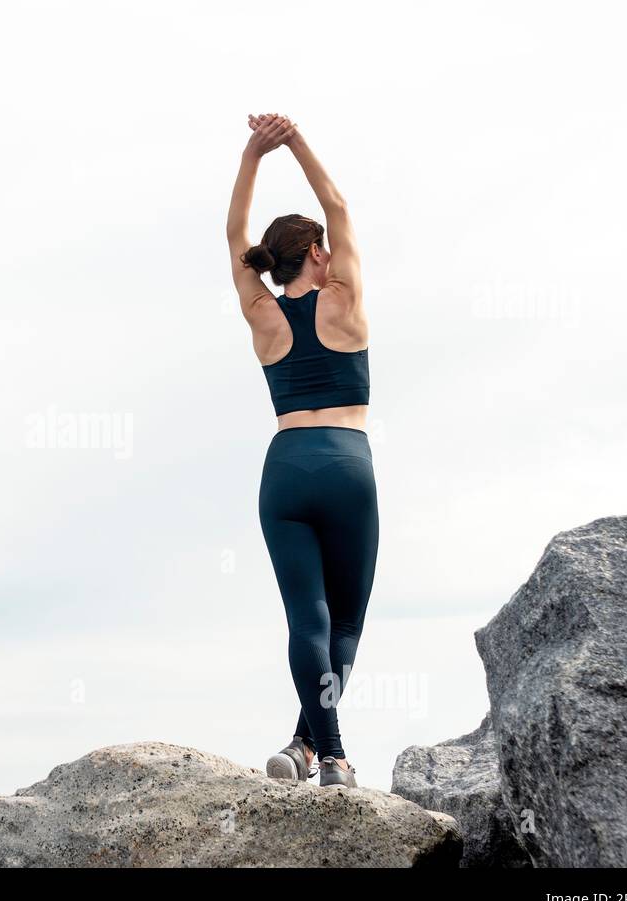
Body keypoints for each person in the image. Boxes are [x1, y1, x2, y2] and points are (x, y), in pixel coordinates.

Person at [225, 113, 377, 788]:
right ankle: (331, 751)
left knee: (305, 617)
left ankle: (312, 750)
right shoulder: (344, 301)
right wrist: (294, 142)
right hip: (347, 464)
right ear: (317, 255)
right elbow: (337, 203)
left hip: (285, 469)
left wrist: (252, 155)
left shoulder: (263, 314)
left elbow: (235, 236)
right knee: (342, 619)